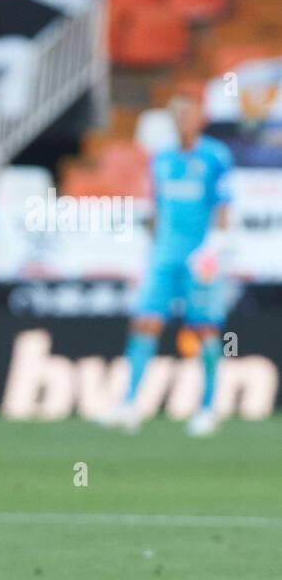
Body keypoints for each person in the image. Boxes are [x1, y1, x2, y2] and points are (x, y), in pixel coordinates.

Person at [100, 94, 234, 436]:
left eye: (187, 114)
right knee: (145, 323)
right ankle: (129, 405)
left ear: (199, 118)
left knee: (203, 328)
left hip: (198, 258)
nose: (182, 121)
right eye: (177, 115)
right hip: (163, 256)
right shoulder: (161, 159)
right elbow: (157, 210)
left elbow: (223, 206)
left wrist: (213, 248)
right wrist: (144, 253)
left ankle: (208, 408)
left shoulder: (215, 157)